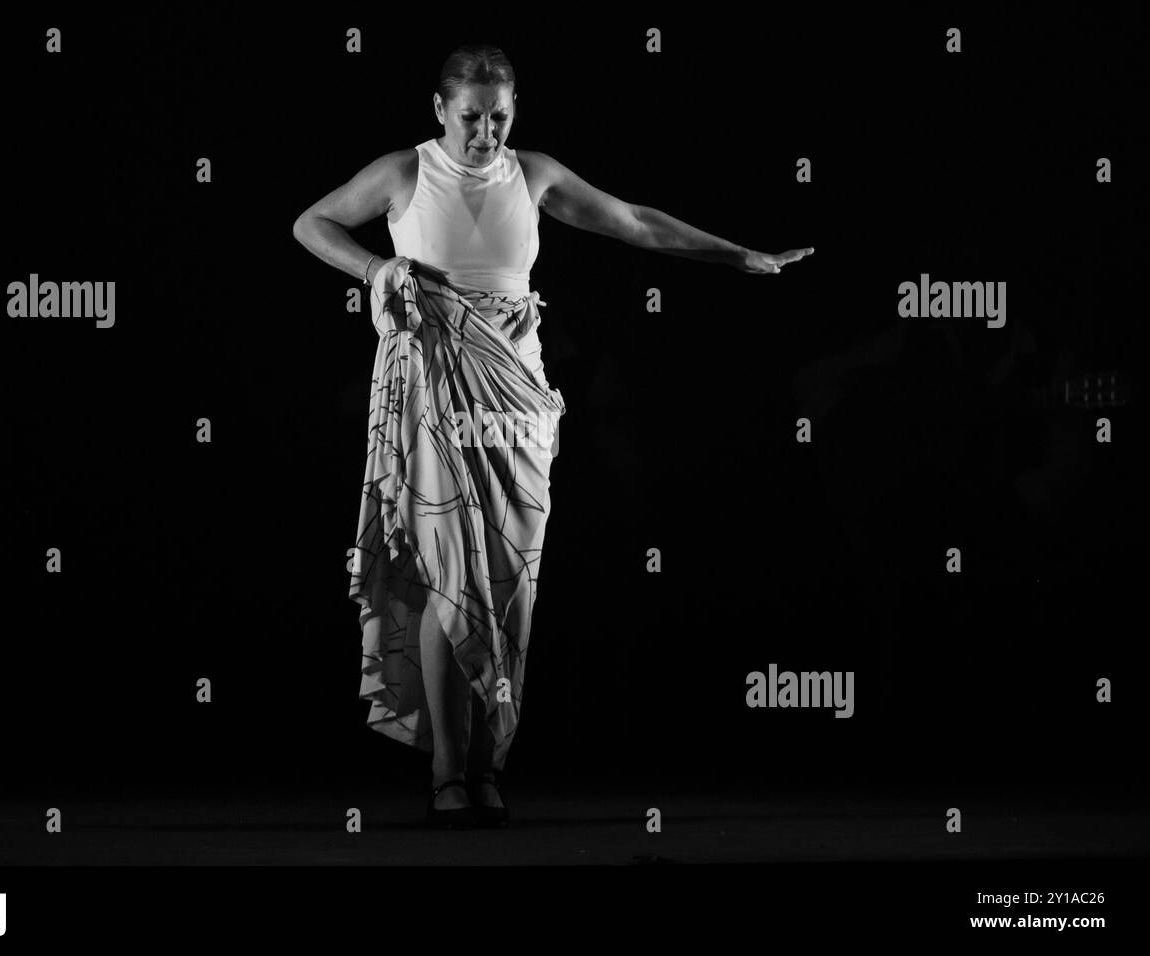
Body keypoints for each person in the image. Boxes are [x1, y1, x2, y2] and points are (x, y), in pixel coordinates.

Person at [293, 43, 813, 828]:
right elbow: (312, 223)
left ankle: (486, 760)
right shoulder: (406, 171)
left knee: (511, 577)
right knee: (450, 569)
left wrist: (736, 254)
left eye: (500, 117)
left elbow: (634, 221)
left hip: (514, 396)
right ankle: (446, 771)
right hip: (437, 385)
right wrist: (375, 271)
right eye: (471, 117)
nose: (486, 134)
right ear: (441, 110)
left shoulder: (529, 174)